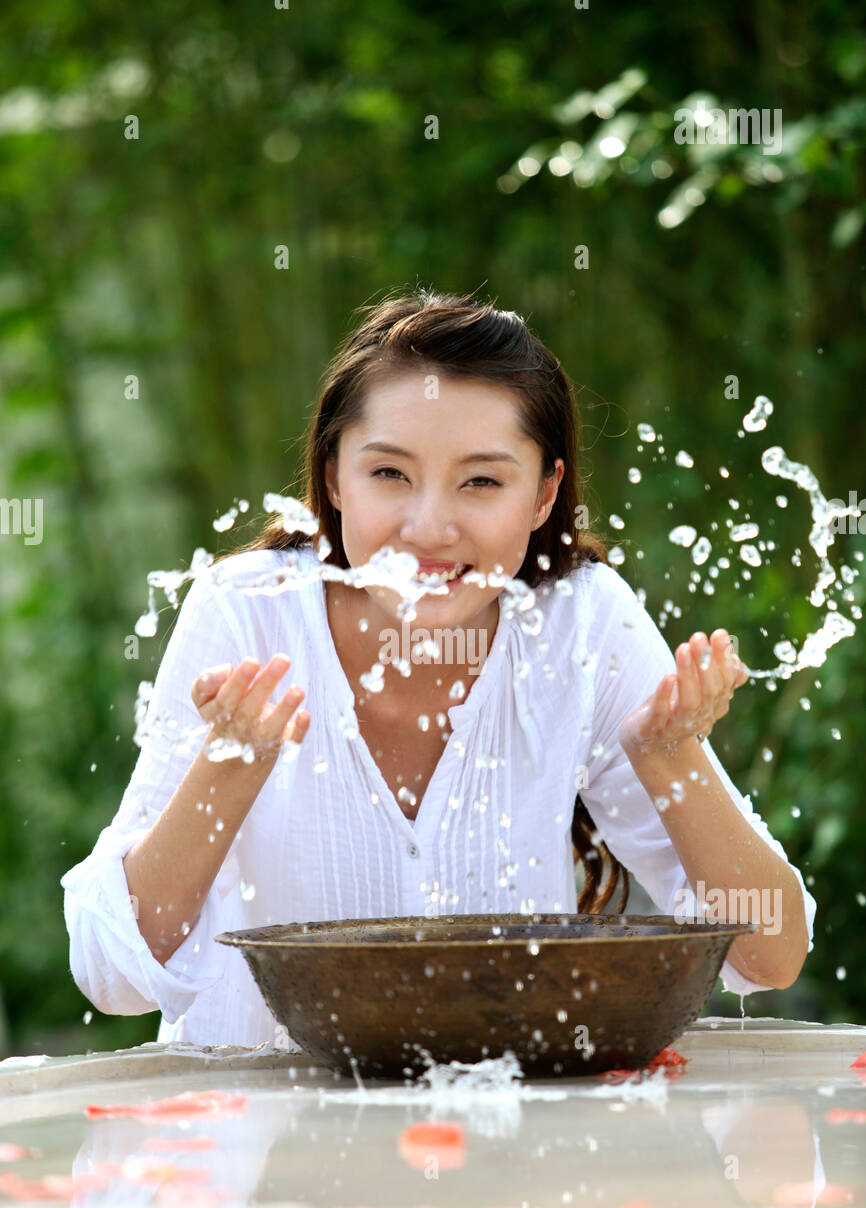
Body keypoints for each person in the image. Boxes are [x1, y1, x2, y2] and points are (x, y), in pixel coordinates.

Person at [61, 289, 816, 1048]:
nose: (428, 528)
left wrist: (669, 754)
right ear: (332, 476)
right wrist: (232, 764)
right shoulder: (247, 613)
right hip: (256, 1144)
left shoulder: (582, 622)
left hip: (497, 1144)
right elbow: (114, 976)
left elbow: (770, 953)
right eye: (389, 474)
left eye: (482, 482)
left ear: (543, 494)